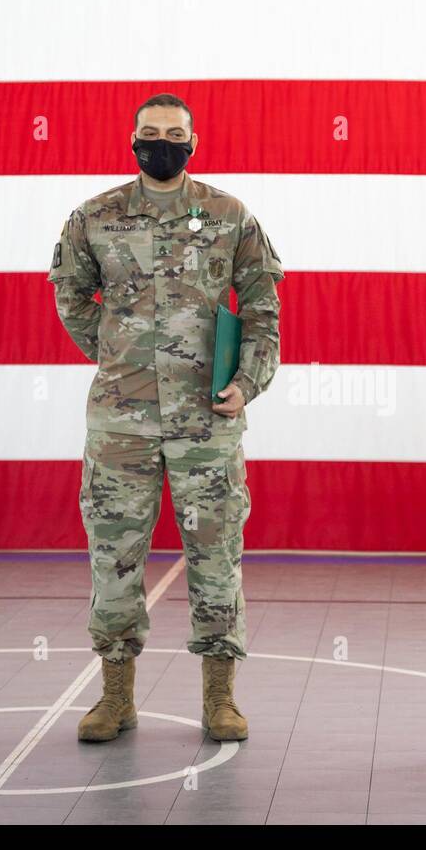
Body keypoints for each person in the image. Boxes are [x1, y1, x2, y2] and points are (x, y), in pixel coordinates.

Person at [48, 93, 284, 743]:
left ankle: (219, 698)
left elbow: (263, 302)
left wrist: (248, 381)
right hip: (121, 424)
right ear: (131, 141)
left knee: (216, 556)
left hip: (206, 421)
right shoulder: (94, 217)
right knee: (114, 557)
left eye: (173, 134)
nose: (161, 143)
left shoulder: (229, 216)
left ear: (194, 142)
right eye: (149, 133)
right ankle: (116, 696)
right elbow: (69, 293)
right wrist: (116, 350)